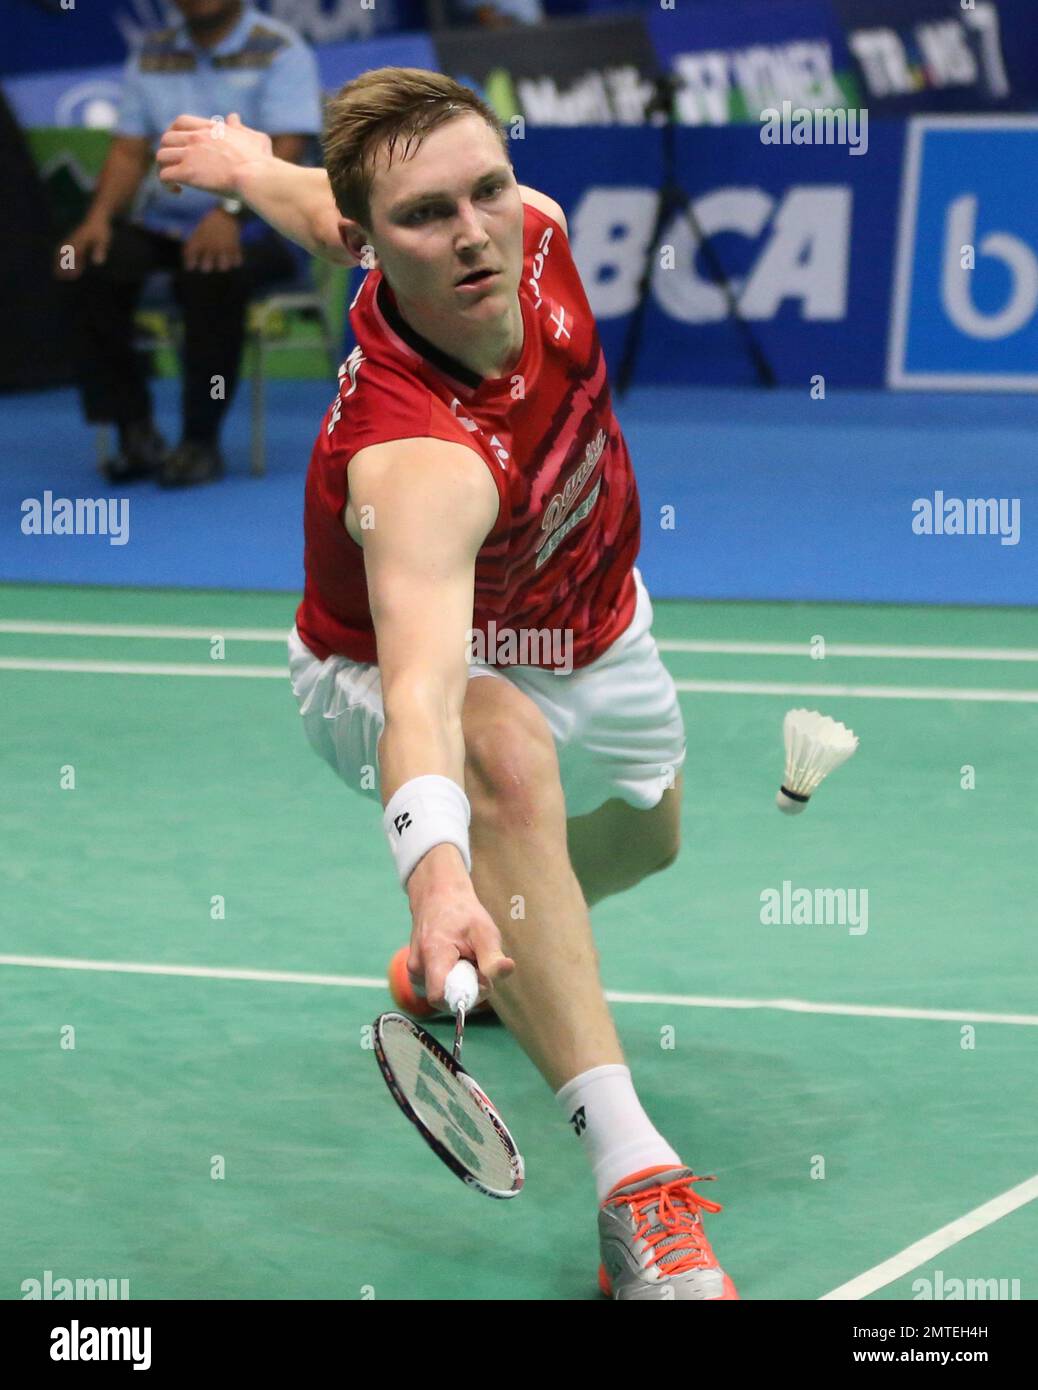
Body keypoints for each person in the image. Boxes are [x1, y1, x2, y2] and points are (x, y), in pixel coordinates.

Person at [156, 66, 738, 1300]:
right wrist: (438, 874)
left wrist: (246, 162)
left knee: (645, 841)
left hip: (589, 620)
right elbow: (420, 690)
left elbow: (331, 208)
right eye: (428, 218)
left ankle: (463, 959)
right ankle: (638, 1193)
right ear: (380, 253)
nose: (473, 232)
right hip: (382, 660)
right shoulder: (417, 458)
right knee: (505, 756)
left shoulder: (532, 237)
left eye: (488, 189)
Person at [56, 0, 322, 487]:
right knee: (93, 262)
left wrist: (232, 211)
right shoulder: (151, 54)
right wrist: (96, 219)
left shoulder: (282, 51)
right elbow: (128, 151)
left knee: (211, 269)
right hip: (167, 225)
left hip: (263, 224)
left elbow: (291, 148)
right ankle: (134, 430)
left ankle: (201, 440)